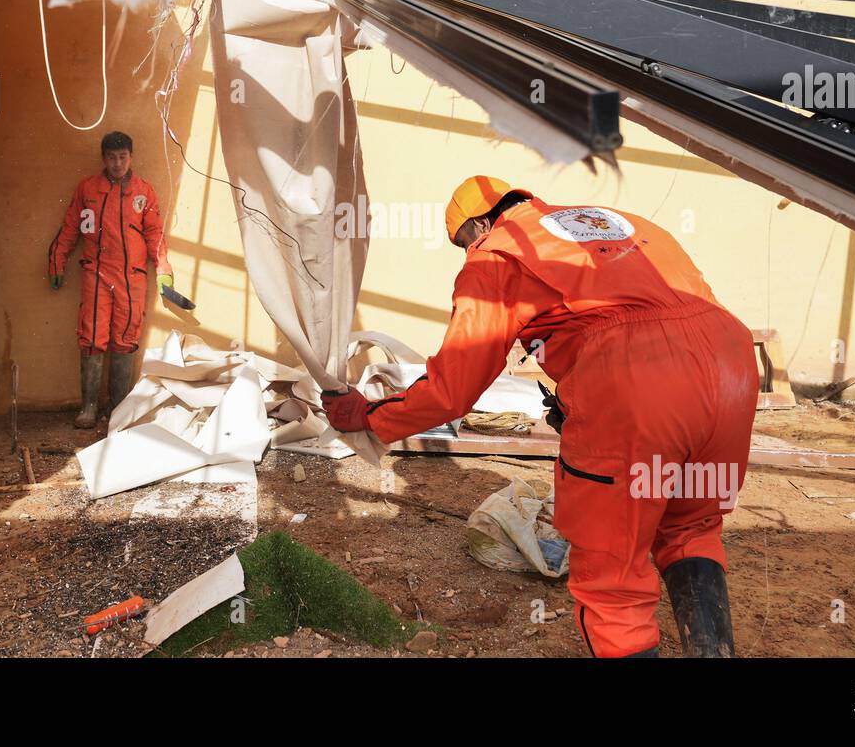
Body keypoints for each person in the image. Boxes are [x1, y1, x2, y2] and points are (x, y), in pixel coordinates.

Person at [321, 176, 758, 657]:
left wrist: (369, 417)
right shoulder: (620, 223)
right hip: (733, 367)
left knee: (612, 567)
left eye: (466, 242)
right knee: (690, 525)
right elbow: (667, 314)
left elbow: (453, 389)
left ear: (483, 223)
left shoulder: (497, 255)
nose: (469, 253)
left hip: (634, 384)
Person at [47, 131, 175, 428]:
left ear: (130, 157)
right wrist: (56, 261)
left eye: (123, 157)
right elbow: (70, 228)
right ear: (103, 158)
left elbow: (155, 234)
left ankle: (118, 408)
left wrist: (164, 271)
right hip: (97, 273)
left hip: (132, 277)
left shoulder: (144, 192)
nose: (117, 163)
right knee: (92, 337)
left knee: (126, 338)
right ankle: (89, 407)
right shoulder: (87, 189)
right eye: (111, 157)